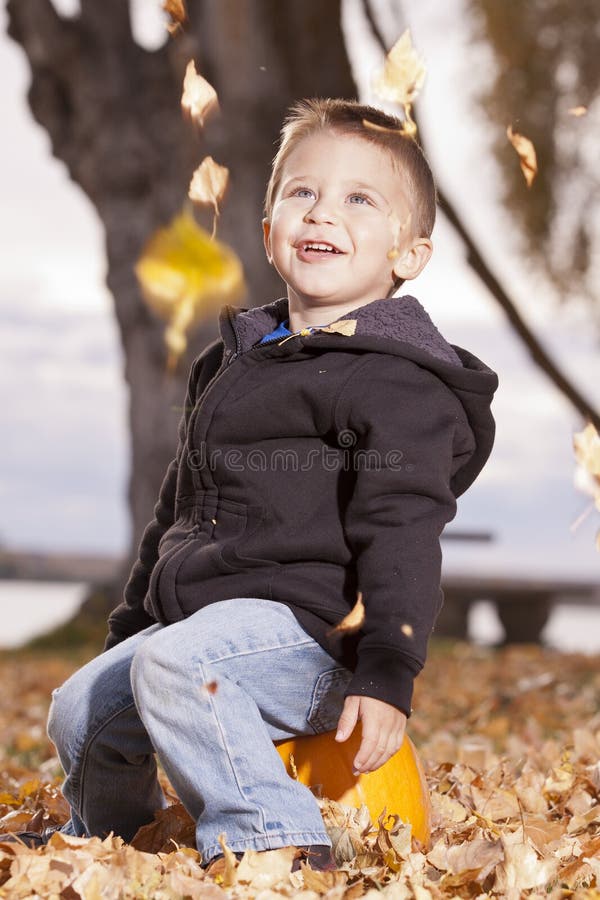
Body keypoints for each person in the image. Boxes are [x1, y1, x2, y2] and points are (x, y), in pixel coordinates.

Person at [11, 98, 499, 870]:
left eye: (358, 200)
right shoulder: (232, 360)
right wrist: (133, 627)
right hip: (202, 629)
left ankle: (275, 845)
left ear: (409, 255)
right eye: (301, 192)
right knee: (83, 706)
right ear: (270, 227)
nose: (322, 212)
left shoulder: (397, 385)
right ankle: (112, 835)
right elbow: (178, 510)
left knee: (180, 667)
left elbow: (403, 530)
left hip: (315, 641)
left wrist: (388, 670)